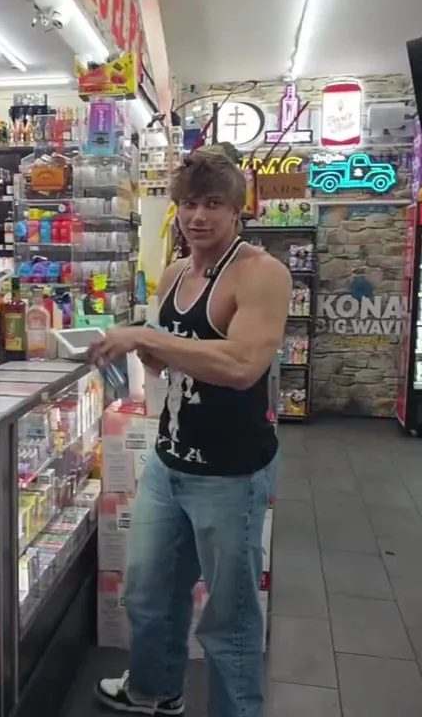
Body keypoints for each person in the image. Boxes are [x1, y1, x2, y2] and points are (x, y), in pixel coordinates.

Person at [88, 146, 290, 717]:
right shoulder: (177, 272)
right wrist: (140, 352)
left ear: (237, 209)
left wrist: (145, 338)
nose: (199, 217)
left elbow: (241, 365)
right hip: (169, 461)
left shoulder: (261, 273)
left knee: (229, 618)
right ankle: (154, 690)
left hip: (230, 472)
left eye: (213, 204)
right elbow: (167, 360)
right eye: (190, 204)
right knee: (148, 594)